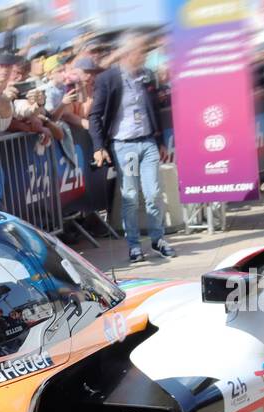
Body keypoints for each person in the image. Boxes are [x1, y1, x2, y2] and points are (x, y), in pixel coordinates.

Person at [88, 34, 174, 262]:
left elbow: (154, 109)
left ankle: (158, 239)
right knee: (131, 196)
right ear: (127, 53)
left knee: (154, 193)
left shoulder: (146, 76)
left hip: (147, 142)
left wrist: (161, 141)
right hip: (124, 146)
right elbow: (95, 115)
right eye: (140, 51)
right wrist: (98, 146)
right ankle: (134, 245)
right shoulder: (109, 79)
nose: (144, 55)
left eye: (145, 51)